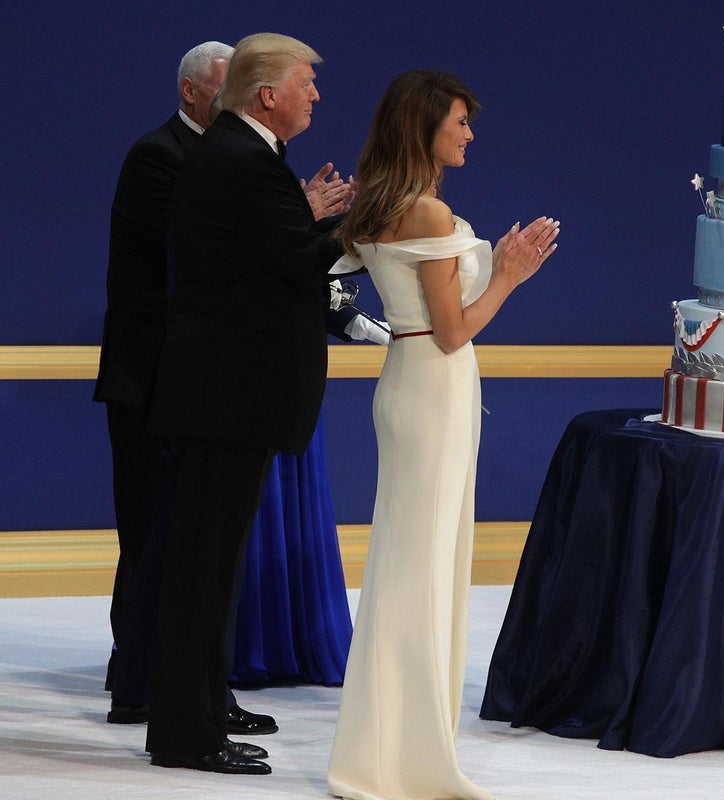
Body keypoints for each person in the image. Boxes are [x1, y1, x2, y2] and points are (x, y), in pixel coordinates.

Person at [326, 70, 559, 800]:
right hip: (432, 379)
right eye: (458, 121)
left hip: (412, 379)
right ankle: (407, 758)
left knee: (412, 564)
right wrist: (510, 276)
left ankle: (395, 745)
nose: (468, 134)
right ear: (423, 127)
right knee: (420, 571)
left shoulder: (383, 204)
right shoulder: (427, 213)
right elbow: (455, 332)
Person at [144, 32, 346, 775]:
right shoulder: (243, 160)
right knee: (202, 571)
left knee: (209, 568)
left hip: (219, 398)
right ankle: (186, 734)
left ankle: (197, 715)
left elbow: (274, 251)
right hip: (224, 399)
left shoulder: (243, 157)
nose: (315, 95)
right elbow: (295, 260)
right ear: (268, 94)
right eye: (306, 84)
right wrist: (360, 221)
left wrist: (313, 221)